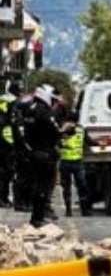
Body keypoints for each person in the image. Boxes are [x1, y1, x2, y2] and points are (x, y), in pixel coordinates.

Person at [19, 85, 63, 228]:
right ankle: (38, 218)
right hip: (44, 154)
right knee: (44, 187)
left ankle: (37, 217)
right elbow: (56, 131)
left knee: (38, 186)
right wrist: (67, 130)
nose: (54, 103)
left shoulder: (29, 110)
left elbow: (22, 132)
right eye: (53, 99)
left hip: (32, 153)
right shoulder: (45, 112)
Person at [58, 113, 91, 216]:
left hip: (71, 162)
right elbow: (89, 142)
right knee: (79, 186)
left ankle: (78, 210)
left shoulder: (79, 129)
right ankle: (75, 210)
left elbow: (88, 141)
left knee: (77, 186)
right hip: (72, 162)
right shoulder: (63, 130)